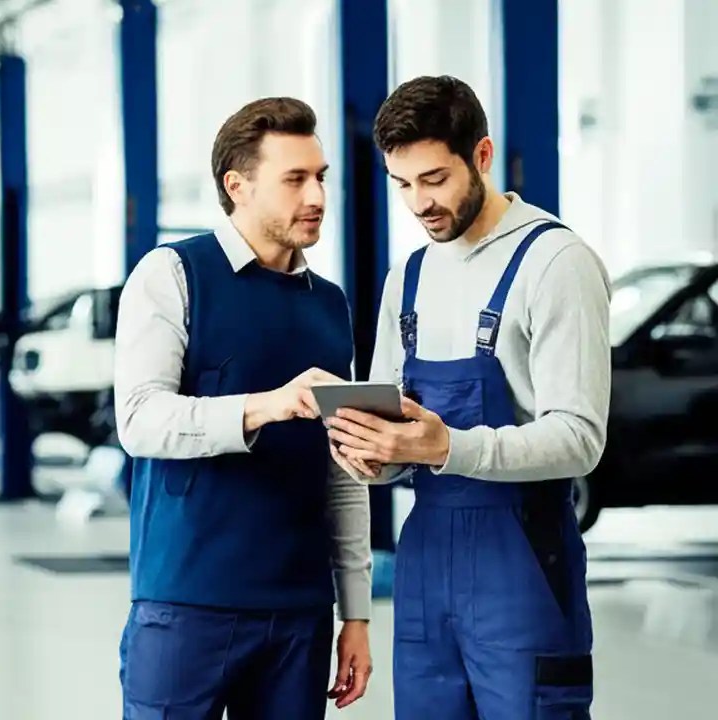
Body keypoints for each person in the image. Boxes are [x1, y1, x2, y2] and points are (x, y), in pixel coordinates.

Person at [325, 75, 610, 719]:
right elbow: (394, 420)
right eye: (401, 184)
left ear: (481, 156)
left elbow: (580, 438)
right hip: (426, 568)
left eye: (434, 179)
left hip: (524, 570)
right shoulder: (411, 275)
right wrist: (375, 454)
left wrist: (447, 445)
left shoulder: (555, 263)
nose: (418, 203)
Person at [114, 96, 373, 719]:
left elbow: (340, 471)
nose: (316, 195)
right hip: (186, 604)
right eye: (294, 179)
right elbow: (140, 419)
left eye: (321, 177)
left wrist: (356, 612)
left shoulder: (330, 305)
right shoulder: (172, 274)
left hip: (298, 614)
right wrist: (264, 407)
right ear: (238, 186)